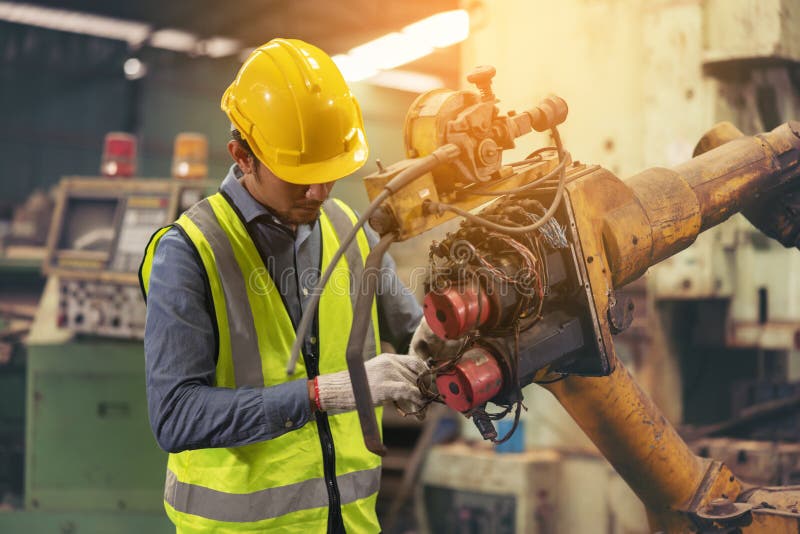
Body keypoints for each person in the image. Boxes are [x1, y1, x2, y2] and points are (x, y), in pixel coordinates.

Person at [139, 38, 426, 533]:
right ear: (242, 156)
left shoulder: (346, 227)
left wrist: (443, 345)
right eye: (300, 177)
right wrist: (325, 393)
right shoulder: (189, 251)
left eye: (330, 174)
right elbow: (176, 417)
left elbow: (415, 330)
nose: (319, 192)